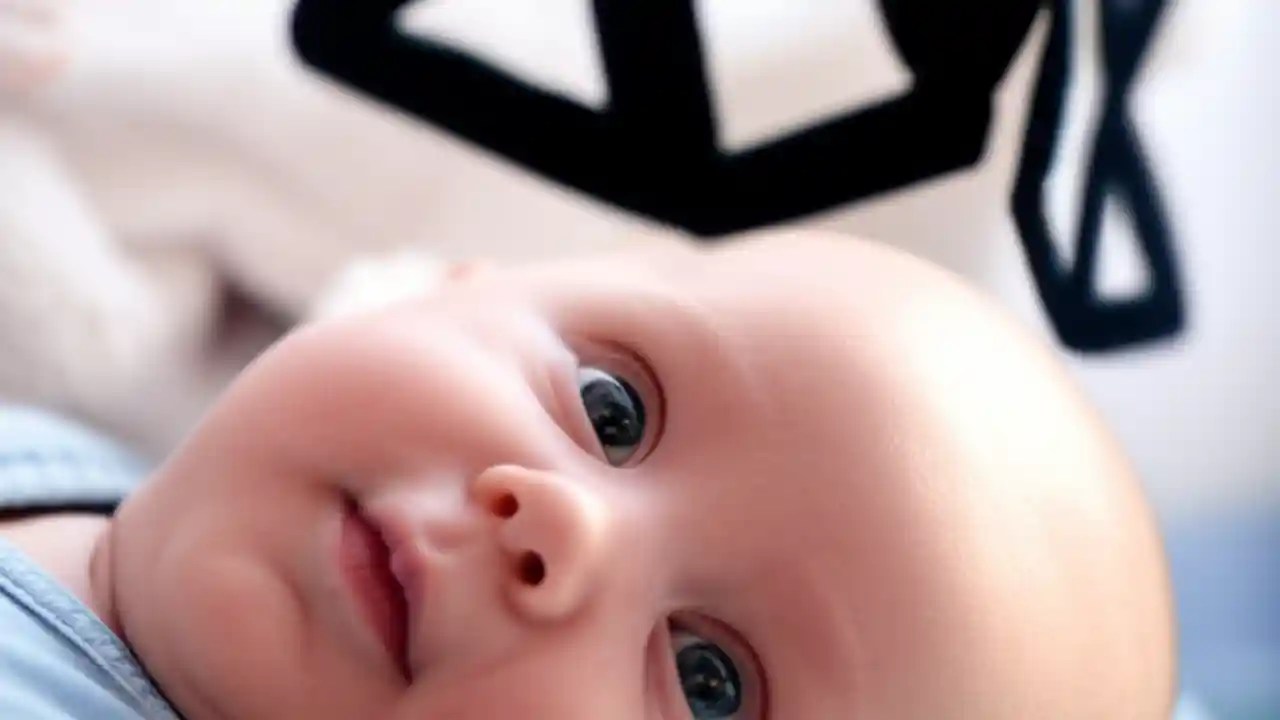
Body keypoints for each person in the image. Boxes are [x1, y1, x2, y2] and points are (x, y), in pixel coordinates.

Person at [0, 232, 1177, 719]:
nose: (562, 530)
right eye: (610, 409)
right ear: (451, 280)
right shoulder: (67, 455)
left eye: (711, 682)